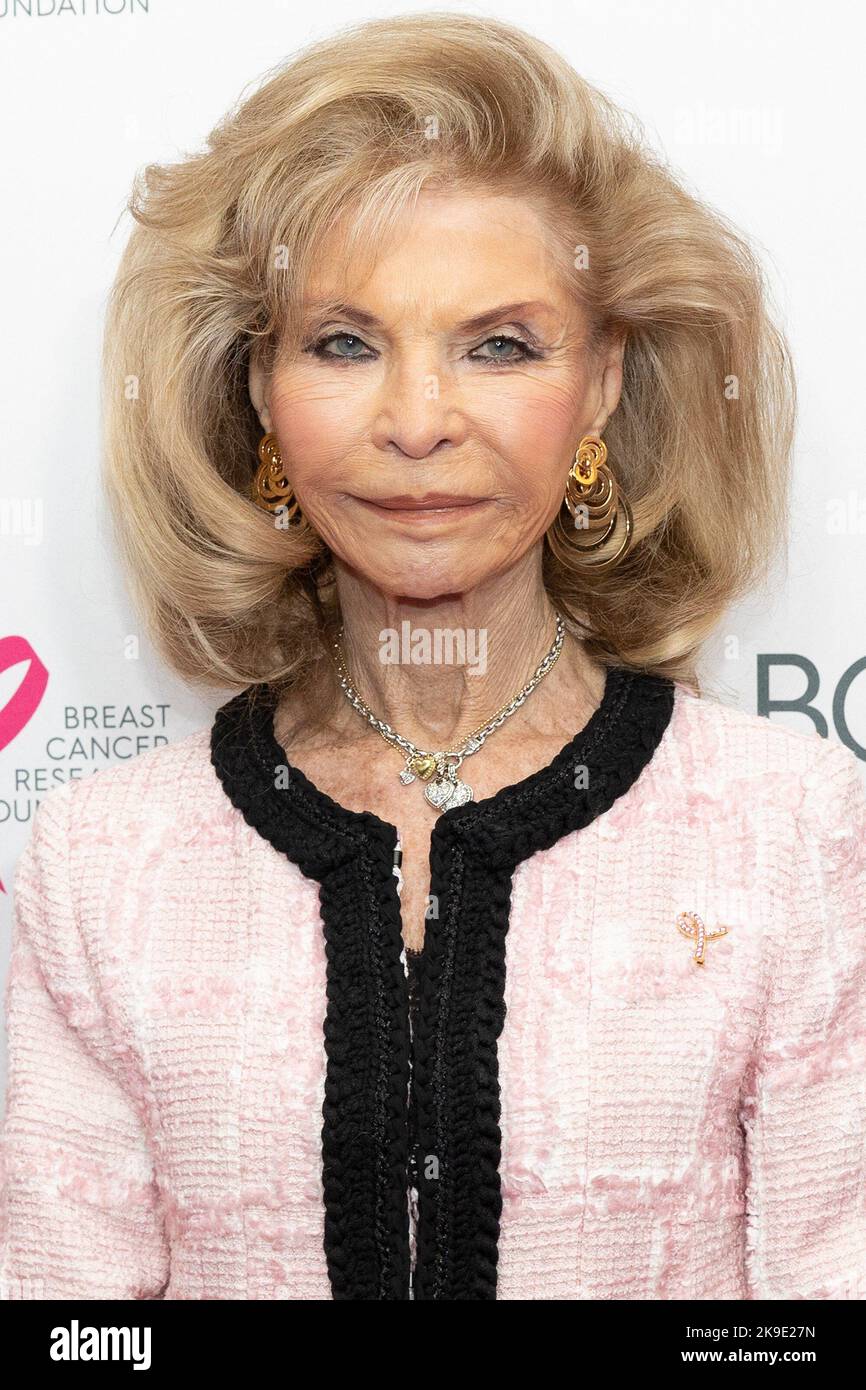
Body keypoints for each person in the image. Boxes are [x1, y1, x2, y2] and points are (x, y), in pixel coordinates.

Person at [1, 11, 864, 1301]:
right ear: (256, 392)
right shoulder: (96, 867)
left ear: (607, 381)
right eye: (343, 343)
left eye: (499, 344)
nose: (418, 423)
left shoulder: (793, 837)